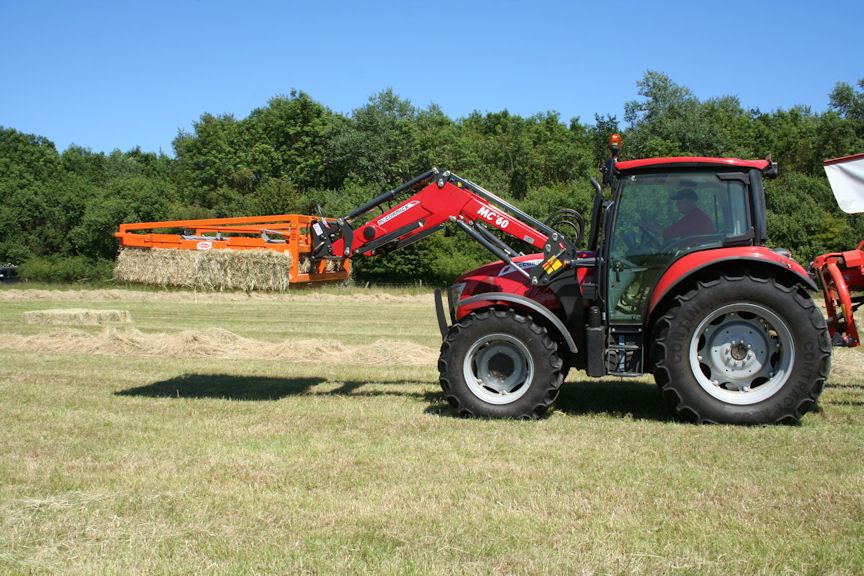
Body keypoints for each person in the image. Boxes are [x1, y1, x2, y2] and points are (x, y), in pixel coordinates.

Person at [641, 188, 714, 239]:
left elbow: (665, 233)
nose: (677, 205)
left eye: (680, 201)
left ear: (690, 202)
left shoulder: (692, 219)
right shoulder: (697, 216)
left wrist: (644, 225)